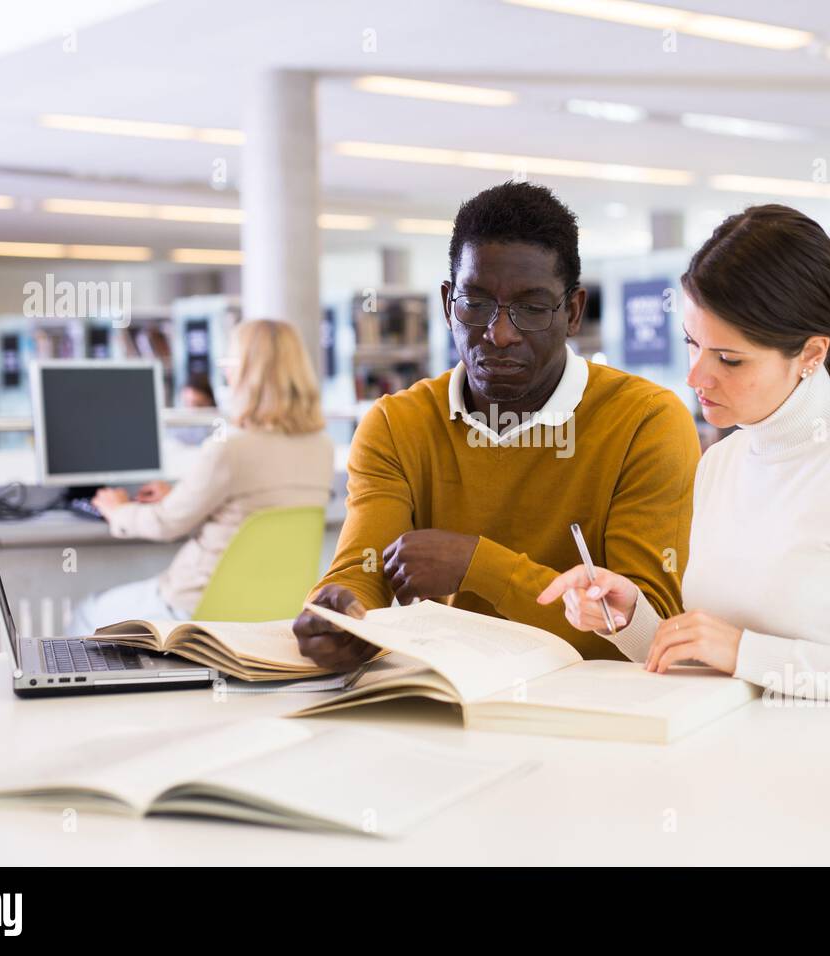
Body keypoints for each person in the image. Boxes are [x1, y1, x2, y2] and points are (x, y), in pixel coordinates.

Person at [539, 204, 830, 710]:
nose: (696, 378)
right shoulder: (721, 463)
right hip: (733, 760)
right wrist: (633, 622)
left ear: (812, 354)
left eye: (729, 359)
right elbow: (722, 664)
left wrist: (749, 652)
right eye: (693, 344)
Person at [292, 181, 699, 669]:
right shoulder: (395, 424)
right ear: (448, 304)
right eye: (476, 303)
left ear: (572, 312)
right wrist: (340, 611)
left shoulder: (645, 420)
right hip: (441, 699)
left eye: (530, 308)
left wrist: (478, 565)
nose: (499, 333)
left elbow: (646, 627)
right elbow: (363, 572)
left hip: (593, 713)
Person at [69, 319, 333, 632]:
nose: (225, 371)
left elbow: (167, 523)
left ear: (249, 372)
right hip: (273, 609)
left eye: (231, 362)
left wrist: (118, 510)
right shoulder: (322, 448)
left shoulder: (229, 449)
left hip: (197, 607)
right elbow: (250, 503)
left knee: (86, 612)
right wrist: (181, 493)